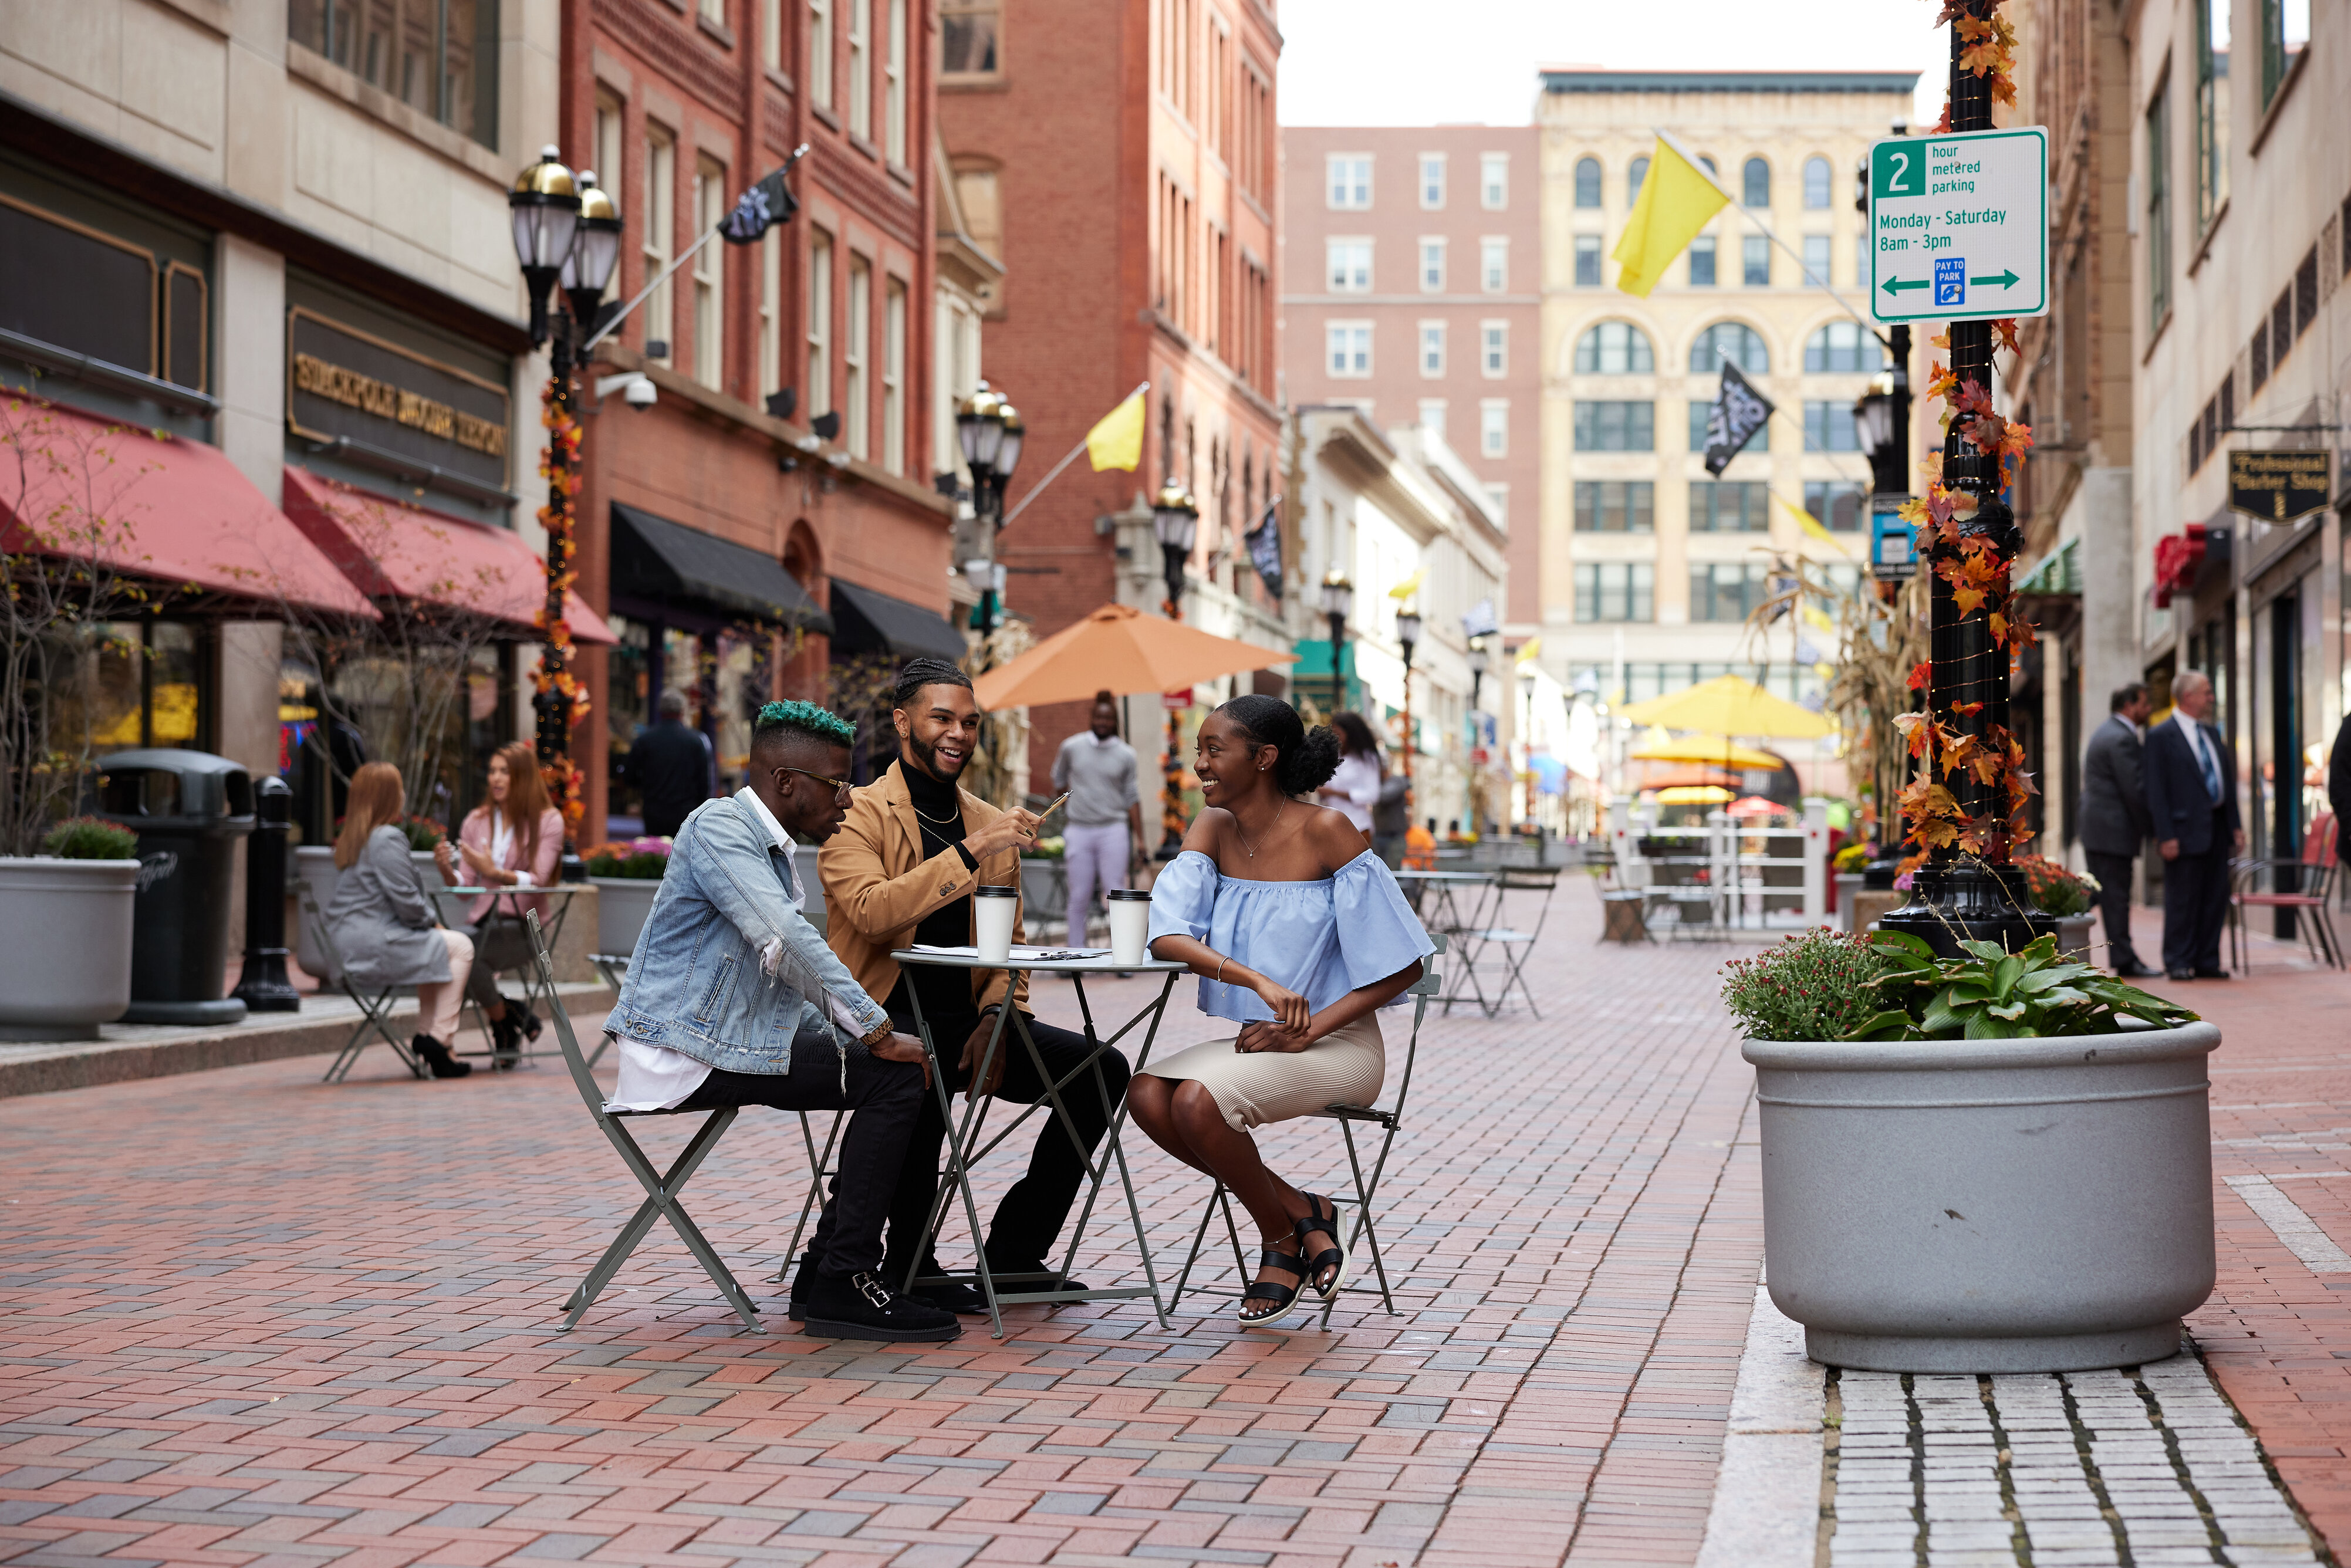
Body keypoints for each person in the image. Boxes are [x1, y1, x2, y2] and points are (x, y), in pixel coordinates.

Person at [605, 698, 958, 1343]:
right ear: (786, 781)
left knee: (905, 1050)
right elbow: (785, 939)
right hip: (686, 1050)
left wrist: (870, 1030)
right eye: (837, 784)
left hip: (719, 1033)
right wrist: (873, 1030)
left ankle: (827, 1268)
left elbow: (777, 965)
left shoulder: (762, 841)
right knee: (894, 1070)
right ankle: (843, 1276)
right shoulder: (718, 827)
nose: (848, 800)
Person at [820, 657, 1133, 1314]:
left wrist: (999, 1013)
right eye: (941, 718)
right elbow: (872, 912)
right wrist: (969, 852)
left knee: (1099, 1070)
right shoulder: (858, 814)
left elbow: (1006, 945)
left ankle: (1015, 1254)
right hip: (878, 1020)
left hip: (968, 1018)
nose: (958, 733)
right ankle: (908, 1260)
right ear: (903, 721)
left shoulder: (990, 820)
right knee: (919, 1062)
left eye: (969, 721)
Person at [1128, 695, 1434, 1327]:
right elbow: (1166, 934)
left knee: (1195, 1102)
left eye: (1215, 750)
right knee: (1146, 1094)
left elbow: (1405, 964)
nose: (1200, 765)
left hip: (1340, 1044)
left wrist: (1307, 1029)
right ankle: (1305, 1212)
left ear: (1264, 758)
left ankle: (1279, 1242)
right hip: (1265, 1038)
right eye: (1200, 750)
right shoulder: (1211, 827)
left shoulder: (1327, 831)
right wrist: (1255, 981)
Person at [325, 762, 475, 1079]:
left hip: (350, 944)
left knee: (437, 947)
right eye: (399, 789)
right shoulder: (385, 838)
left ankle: (432, 1041)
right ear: (387, 797)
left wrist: (430, 926)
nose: (405, 795)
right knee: (460, 946)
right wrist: (433, 923)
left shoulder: (357, 838)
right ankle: (438, 1039)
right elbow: (407, 901)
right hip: (372, 945)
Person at [434, 742, 566, 1064]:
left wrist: (496, 873)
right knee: (457, 952)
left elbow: (540, 879)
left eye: (504, 771)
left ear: (521, 776)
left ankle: (503, 1022)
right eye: (492, 771)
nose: (495, 778)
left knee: (464, 953)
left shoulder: (548, 821)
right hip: (483, 924)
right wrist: (447, 873)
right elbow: (466, 889)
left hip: (524, 928)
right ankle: (508, 1018)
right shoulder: (476, 820)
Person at [2143, 670, 2244, 981]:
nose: (2211, 698)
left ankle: (2207, 960)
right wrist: (2165, 835)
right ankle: (2178, 960)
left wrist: (2236, 826)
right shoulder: (2160, 736)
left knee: (2215, 896)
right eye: (2207, 692)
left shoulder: (2212, 733)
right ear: (2188, 697)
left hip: (2217, 828)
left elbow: (2226, 782)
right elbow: (2156, 791)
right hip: (2182, 832)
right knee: (2183, 898)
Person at [1050, 691, 1144, 945]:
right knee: (1078, 895)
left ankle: (1123, 954)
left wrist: (1141, 840)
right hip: (1078, 830)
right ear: (1092, 717)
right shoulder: (1072, 747)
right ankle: (1075, 953)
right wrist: (1072, 803)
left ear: (1115, 721)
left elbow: (1132, 797)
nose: (1103, 722)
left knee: (1116, 895)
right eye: (1099, 717)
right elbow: (1058, 779)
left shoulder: (1126, 755)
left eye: (1108, 718)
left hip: (1113, 830)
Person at [2078, 682, 2156, 976]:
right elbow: (2134, 790)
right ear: (2129, 705)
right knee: (2115, 897)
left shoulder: (2110, 732)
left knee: (2101, 894)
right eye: (2145, 704)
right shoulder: (2121, 738)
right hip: (2110, 832)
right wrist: (2153, 829)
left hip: (2102, 830)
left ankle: (2049, 925)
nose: (2148, 710)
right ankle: (2125, 960)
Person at [626, 690, 717, 838]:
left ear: (660, 710)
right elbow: (705, 784)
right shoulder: (696, 741)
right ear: (682, 711)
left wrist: (647, 787)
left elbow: (629, 776)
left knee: (656, 855)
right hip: (686, 812)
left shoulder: (644, 740)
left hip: (654, 811)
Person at [1318, 712, 1383, 851]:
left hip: (1358, 825)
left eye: (1339, 734)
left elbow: (1373, 795)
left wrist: (1334, 793)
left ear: (1351, 734)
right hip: (1330, 826)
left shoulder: (1367, 758)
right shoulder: (1333, 757)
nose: (1336, 738)